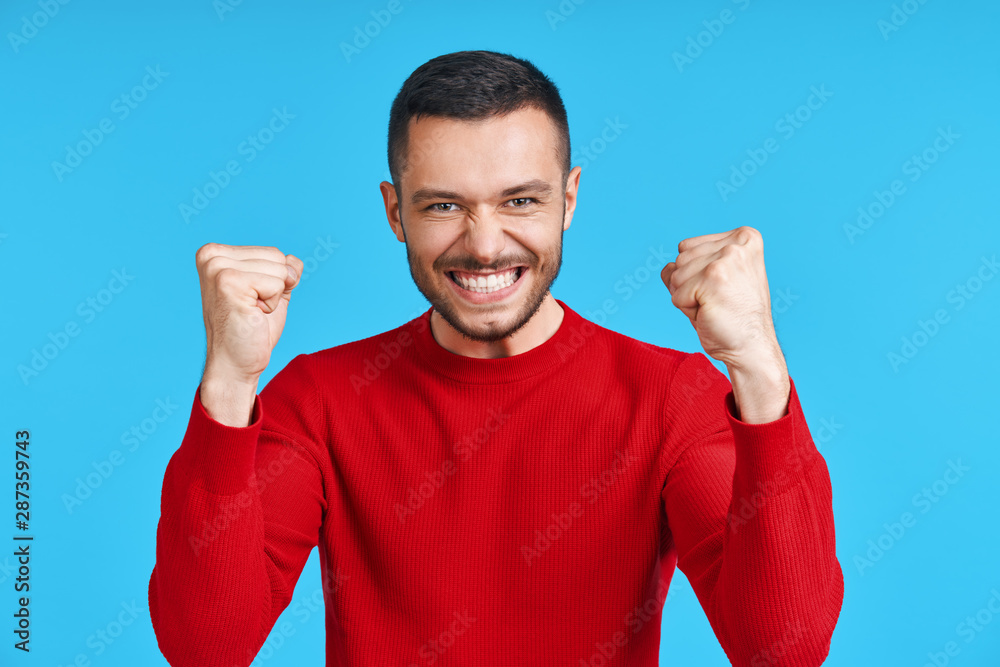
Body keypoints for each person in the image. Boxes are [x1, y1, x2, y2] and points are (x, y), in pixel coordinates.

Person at [148, 49, 843, 666]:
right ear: (394, 212)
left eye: (520, 200)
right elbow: (206, 648)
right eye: (444, 206)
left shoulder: (670, 397)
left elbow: (783, 649)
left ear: (568, 199)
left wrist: (757, 365)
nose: (484, 245)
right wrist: (230, 379)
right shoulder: (319, 398)